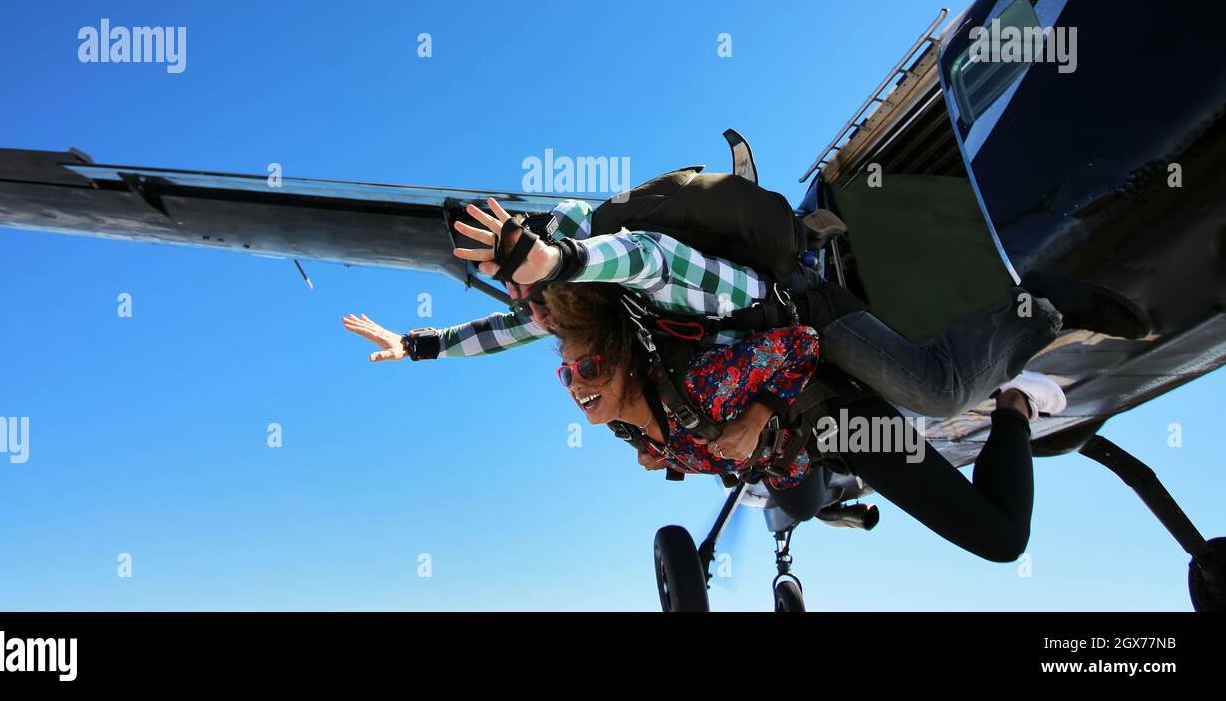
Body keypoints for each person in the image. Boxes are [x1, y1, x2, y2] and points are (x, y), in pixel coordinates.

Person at [344, 196, 1148, 423]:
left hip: (799, 312)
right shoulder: (548, 303)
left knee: (934, 391)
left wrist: (556, 259)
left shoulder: (600, 262)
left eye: (504, 264)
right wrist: (412, 346)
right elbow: (493, 332)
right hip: (770, 363)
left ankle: (1043, 309)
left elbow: (647, 259)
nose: (521, 299)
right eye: (504, 279)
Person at [542, 281, 1060, 563]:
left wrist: (756, 418)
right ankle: (826, 499)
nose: (576, 384)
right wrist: (660, 453)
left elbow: (802, 344)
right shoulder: (628, 427)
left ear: (625, 358)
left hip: (836, 423)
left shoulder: (702, 385)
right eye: (566, 374)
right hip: (790, 467)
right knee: (800, 503)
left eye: (587, 368)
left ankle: (1015, 395)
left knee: (1001, 540)